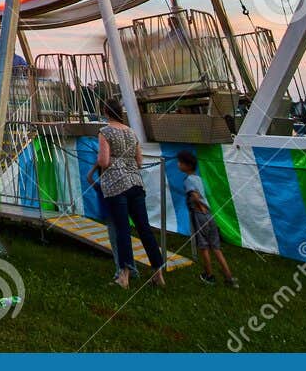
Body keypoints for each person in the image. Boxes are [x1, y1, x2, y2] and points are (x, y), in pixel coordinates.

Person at [86, 101, 165, 289]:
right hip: (135, 183)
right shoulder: (131, 132)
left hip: (115, 185)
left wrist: (102, 163)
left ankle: (124, 275)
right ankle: (158, 273)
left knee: (122, 230)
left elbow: (103, 161)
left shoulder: (105, 132)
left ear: (105, 112)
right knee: (144, 229)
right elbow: (139, 161)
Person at [178, 149, 238, 287]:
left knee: (204, 247)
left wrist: (200, 207)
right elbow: (206, 194)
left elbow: (194, 196)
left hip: (199, 216)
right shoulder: (200, 179)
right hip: (210, 216)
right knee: (216, 248)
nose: (178, 165)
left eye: (180, 162)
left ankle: (209, 275)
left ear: (187, 165)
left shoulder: (188, 181)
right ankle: (229, 277)